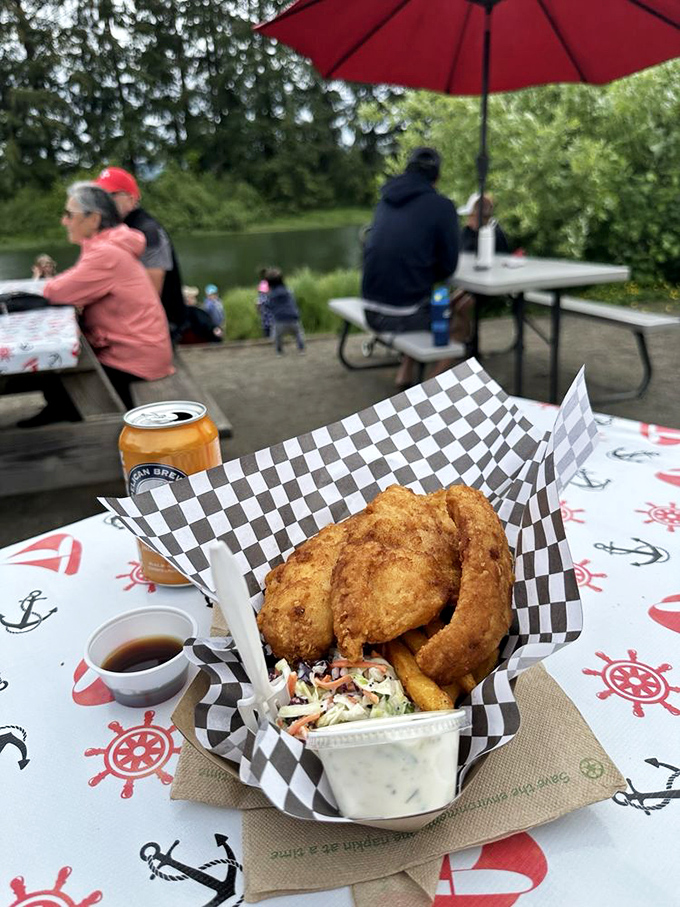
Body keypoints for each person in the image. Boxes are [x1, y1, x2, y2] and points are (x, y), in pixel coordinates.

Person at [18, 183, 174, 427]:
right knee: (60, 363)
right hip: (140, 349)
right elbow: (74, 285)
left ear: (94, 219)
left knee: (54, 368)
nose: (64, 221)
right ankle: (63, 408)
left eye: (70, 215)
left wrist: (50, 284)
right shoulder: (109, 246)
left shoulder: (106, 253)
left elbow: (58, 291)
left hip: (134, 359)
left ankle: (70, 412)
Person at [361, 146, 459, 389]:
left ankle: (405, 372)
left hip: (371, 310)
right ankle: (427, 390)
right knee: (460, 314)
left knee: (422, 298)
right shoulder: (442, 207)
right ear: (436, 178)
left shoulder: (384, 201)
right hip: (402, 315)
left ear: (406, 171)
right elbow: (449, 268)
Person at [93, 166, 188, 342]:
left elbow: (149, 297)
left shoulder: (147, 231)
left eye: (110, 196)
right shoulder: (119, 229)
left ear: (131, 198)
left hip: (161, 329)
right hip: (139, 323)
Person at [451, 195, 511, 342]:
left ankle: (469, 341)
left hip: (491, 284)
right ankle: (461, 336)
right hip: (470, 283)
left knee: (462, 307)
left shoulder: (494, 233)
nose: (468, 220)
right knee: (450, 303)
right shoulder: (466, 232)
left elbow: (502, 261)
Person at [266, 268, 305, 355]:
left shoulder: (271, 295)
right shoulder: (288, 291)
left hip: (279, 320)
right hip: (293, 317)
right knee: (298, 334)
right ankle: (301, 349)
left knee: (277, 337)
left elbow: (268, 306)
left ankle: (279, 351)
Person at [256, 267, 271, 337]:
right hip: (272, 316)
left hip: (266, 316)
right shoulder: (268, 283)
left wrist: (258, 309)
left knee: (267, 333)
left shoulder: (263, 284)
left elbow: (260, 301)